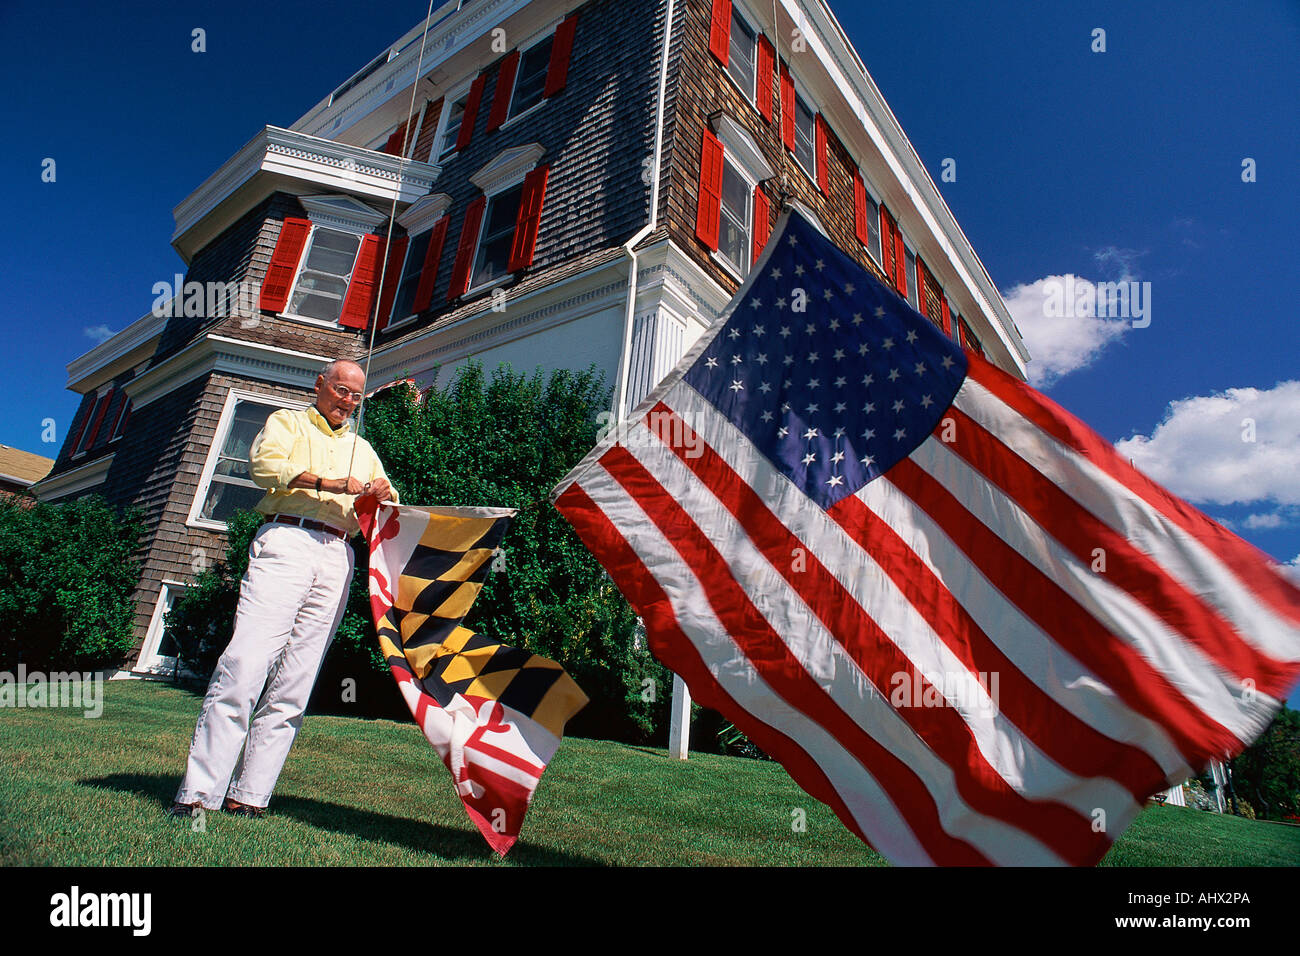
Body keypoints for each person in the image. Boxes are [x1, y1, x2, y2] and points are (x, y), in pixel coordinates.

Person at [170, 358, 398, 818]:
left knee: (297, 679)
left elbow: (389, 505)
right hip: (286, 539)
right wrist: (331, 484)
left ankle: (250, 795)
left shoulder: (364, 447)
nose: (347, 400)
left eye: (355, 395)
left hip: (338, 553)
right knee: (244, 663)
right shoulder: (286, 423)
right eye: (340, 389)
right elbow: (265, 467)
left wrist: (383, 495)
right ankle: (198, 793)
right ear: (320, 385)